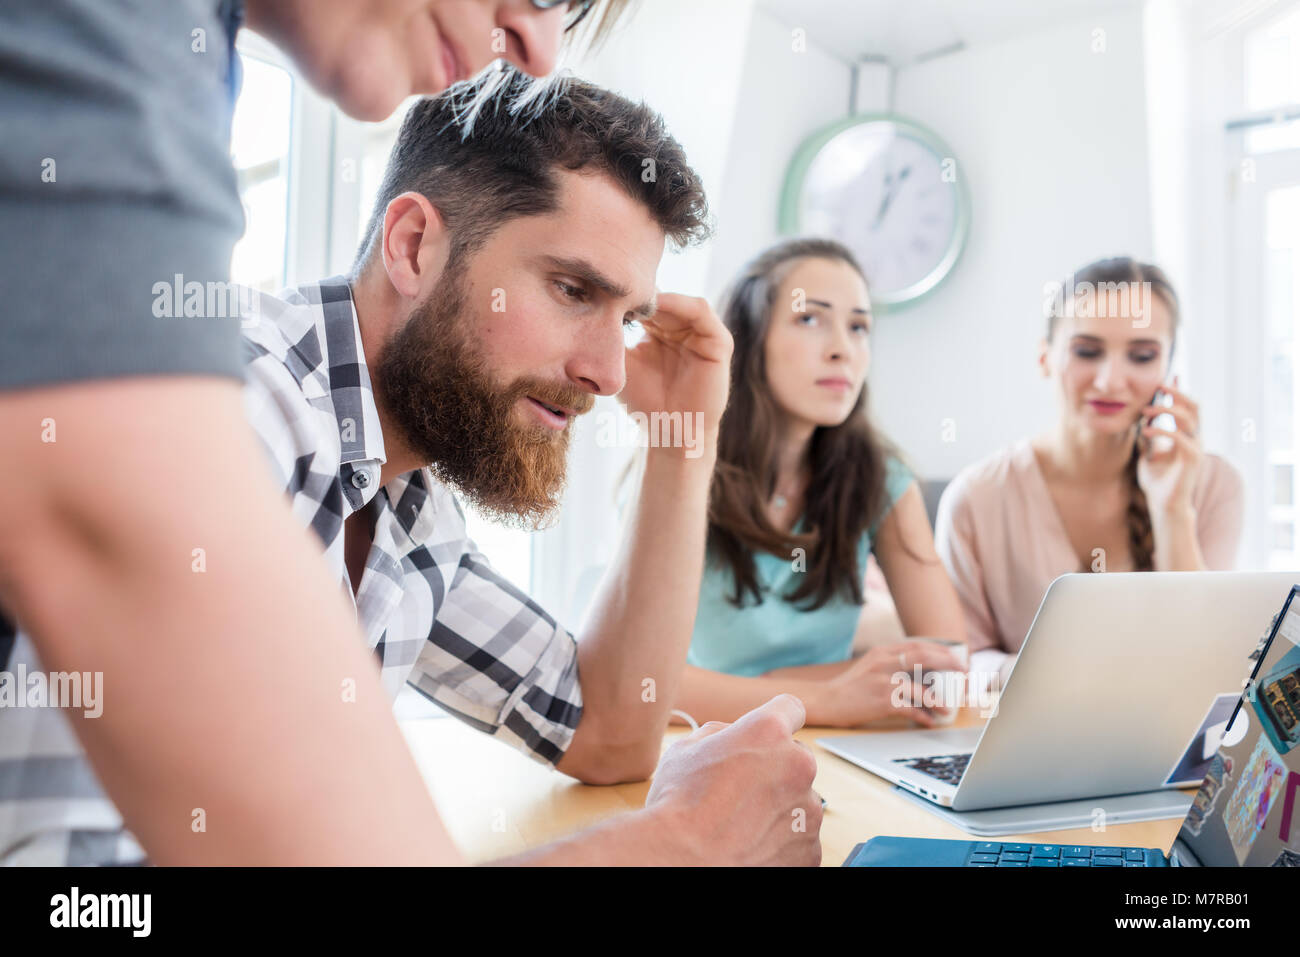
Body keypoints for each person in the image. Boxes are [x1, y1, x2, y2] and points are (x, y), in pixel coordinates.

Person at [0, 0, 819, 867]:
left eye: (626, 320)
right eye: (574, 291)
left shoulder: (406, 505)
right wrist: (676, 848)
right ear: (415, 245)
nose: (608, 372)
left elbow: (607, 729)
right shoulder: (247, 412)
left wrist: (684, 441)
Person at [666, 239, 968, 728]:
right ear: (747, 338)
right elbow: (648, 686)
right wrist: (827, 697)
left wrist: (782, 684)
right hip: (697, 750)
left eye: (859, 327)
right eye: (810, 319)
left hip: (827, 751)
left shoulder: (881, 479)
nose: (842, 349)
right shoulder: (680, 462)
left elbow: (946, 669)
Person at [935, 257, 1245, 688]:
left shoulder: (1215, 486)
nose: (1110, 380)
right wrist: (1060, 678)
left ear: (1168, 370)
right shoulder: (976, 497)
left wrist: (1172, 508)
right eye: (1087, 351)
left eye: (1141, 356)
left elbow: (1207, 667)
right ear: (1045, 358)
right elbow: (959, 664)